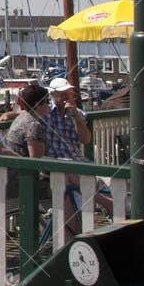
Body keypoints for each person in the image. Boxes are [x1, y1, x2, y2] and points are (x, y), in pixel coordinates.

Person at [43, 77, 93, 236]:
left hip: (76, 163)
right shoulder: (45, 114)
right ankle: (100, 207)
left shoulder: (77, 113)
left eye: (68, 93)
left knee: (84, 183)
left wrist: (76, 117)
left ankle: (81, 229)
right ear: (52, 94)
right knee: (76, 190)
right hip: (55, 164)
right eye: (62, 93)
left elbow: (86, 140)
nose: (66, 97)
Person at [3, 83, 49, 159]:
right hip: (23, 169)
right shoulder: (34, 125)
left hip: (12, 167)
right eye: (47, 101)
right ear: (37, 104)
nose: (49, 104)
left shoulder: (22, 115)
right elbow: (36, 159)